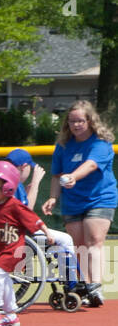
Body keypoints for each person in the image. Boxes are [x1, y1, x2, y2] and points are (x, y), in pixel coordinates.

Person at [0, 159, 66, 326]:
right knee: (4, 280)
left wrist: (47, 232)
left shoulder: (14, 205)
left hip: (14, 250)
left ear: (9, 186)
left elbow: (34, 220)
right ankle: (11, 315)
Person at [41, 101, 116, 305]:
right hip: (72, 202)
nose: (76, 125)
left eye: (81, 121)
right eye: (72, 121)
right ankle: (85, 286)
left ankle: (96, 288)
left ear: (90, 121)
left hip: (100, 198)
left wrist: (73, 176)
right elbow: (57, 175)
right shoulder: (63, 145)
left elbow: (91, 164)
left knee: (94, 240)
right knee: (78, 245)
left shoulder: (100, 143)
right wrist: (53, 197)